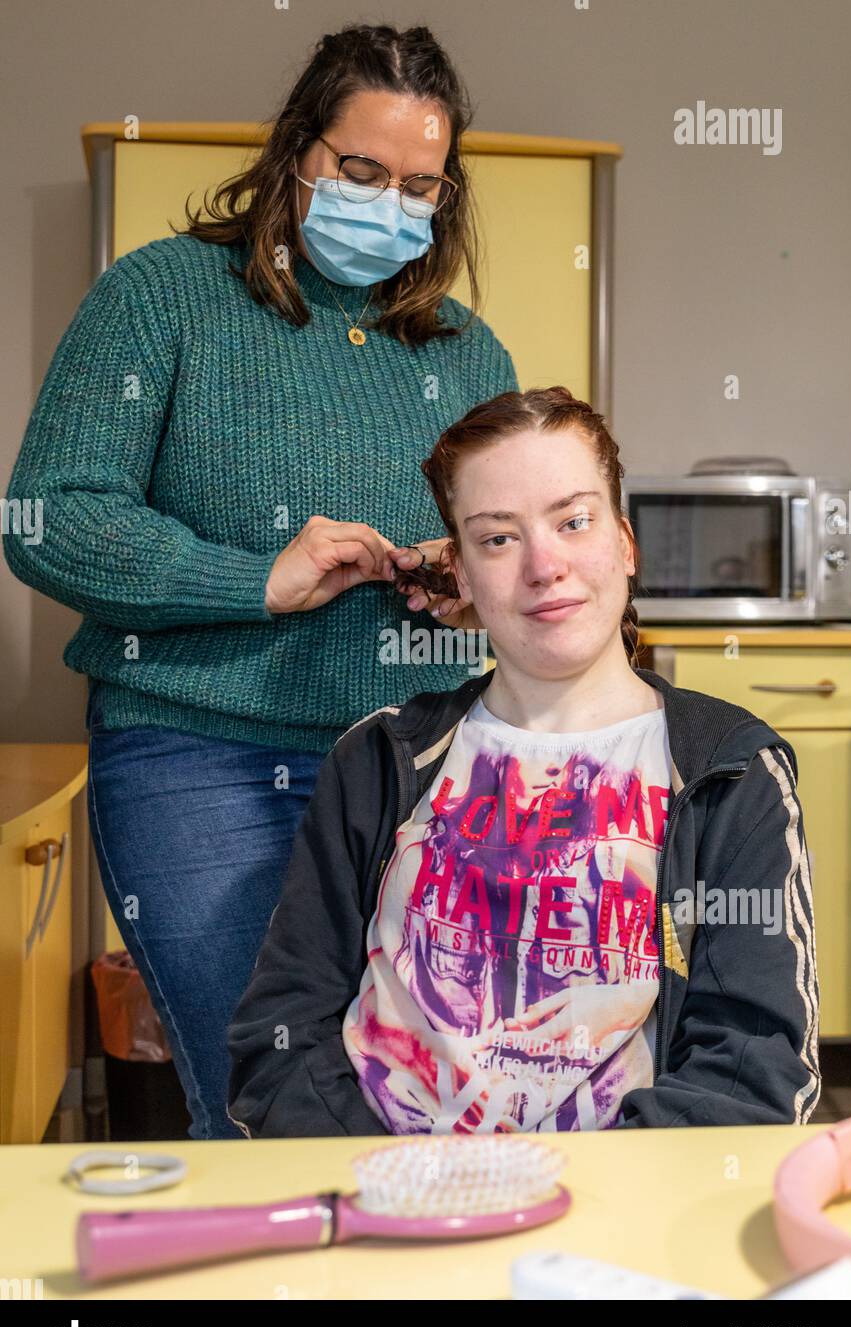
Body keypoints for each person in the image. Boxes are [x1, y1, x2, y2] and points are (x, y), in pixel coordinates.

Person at [2, 23, 513, 1138]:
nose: (388, 204)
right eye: (360, 172)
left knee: (413, 1098)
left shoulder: (466, 353)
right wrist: (256, 579)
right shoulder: (161, 298)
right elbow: (50, 522)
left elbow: (505, 545)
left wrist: (468, 578)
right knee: (262, 1104)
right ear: (296, 158)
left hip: (410, 763)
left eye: (419, 186)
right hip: (200, 757)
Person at [226, 386, 821, 1136]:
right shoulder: (381, 761)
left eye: (574, 521)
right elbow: (280, 1040)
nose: (545, 565)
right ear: (464, 577)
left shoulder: (728, 771)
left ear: (626, 544)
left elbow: (753, 1068)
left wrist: (592, 1207)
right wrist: (390, 1193)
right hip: (385, 1210)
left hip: (613, 1217)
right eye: (499, 538)